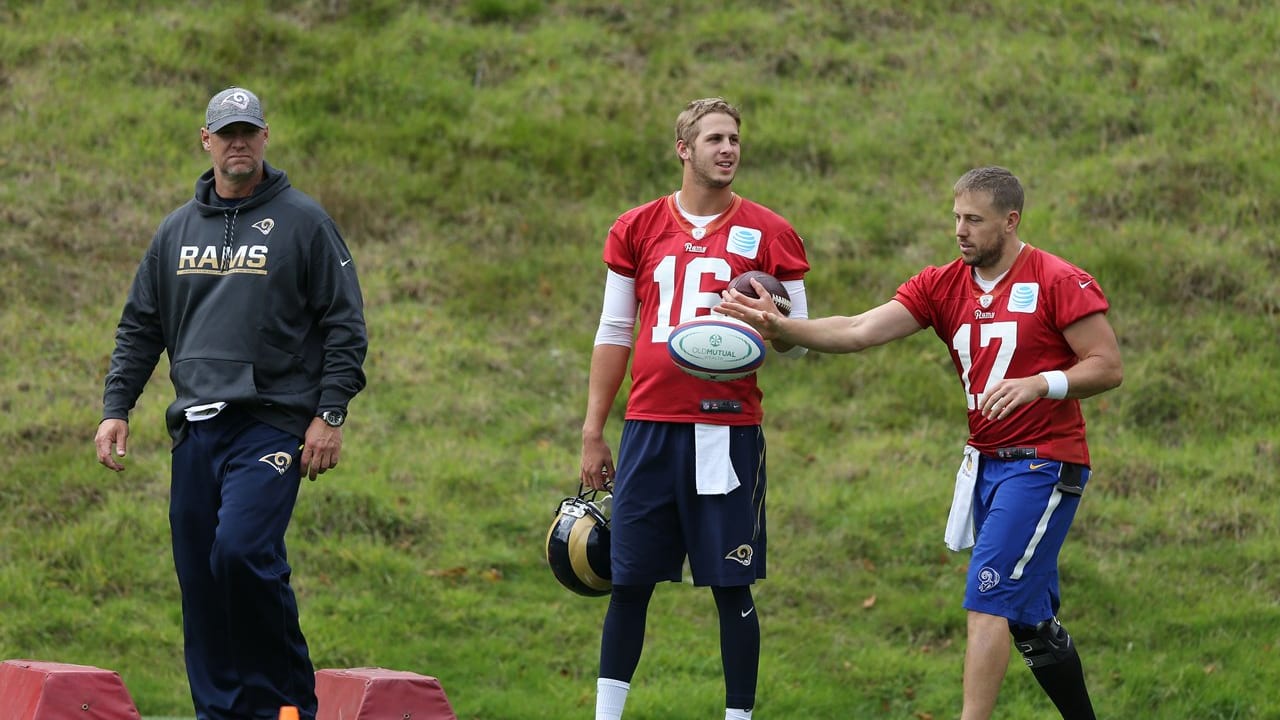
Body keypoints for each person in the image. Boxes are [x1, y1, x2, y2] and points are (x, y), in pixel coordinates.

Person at [717, 166, 1121, 720]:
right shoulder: (942, 284)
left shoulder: (1057, 280)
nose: (960, 230)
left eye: (974, 220)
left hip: (1043, 466)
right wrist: (782, 329)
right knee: (1030, 623)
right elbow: (858, 329)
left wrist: (1039, 383)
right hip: (989, 467)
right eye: (956, 217)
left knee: (986, 600)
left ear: (1011, 221)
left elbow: (1107, 366)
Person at [94, 86, 368, 720]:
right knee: (201, 579)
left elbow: (345, 326)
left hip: (271, 426)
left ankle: (288, 704)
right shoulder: (174, 231)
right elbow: (141, 326)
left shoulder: (305, 223)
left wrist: (329, 415)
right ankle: (219, 712)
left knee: (241, 553)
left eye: (249, 131)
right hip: (195, 429)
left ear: (265, 137)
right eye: (227, 132)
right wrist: (117, 407)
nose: (238, 142)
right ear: (206, 140)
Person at [578, 97, 811, 720]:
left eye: (734, 138)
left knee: (731, 586)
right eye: (714, 139)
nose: (728, 149)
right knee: (627, 582)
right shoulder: (636, 226)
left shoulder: (772, 232)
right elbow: (614, 329)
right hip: (650, 428)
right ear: (685, 149)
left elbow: (802, 337)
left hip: (726, 431)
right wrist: (594, 430)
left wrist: (772, 319)